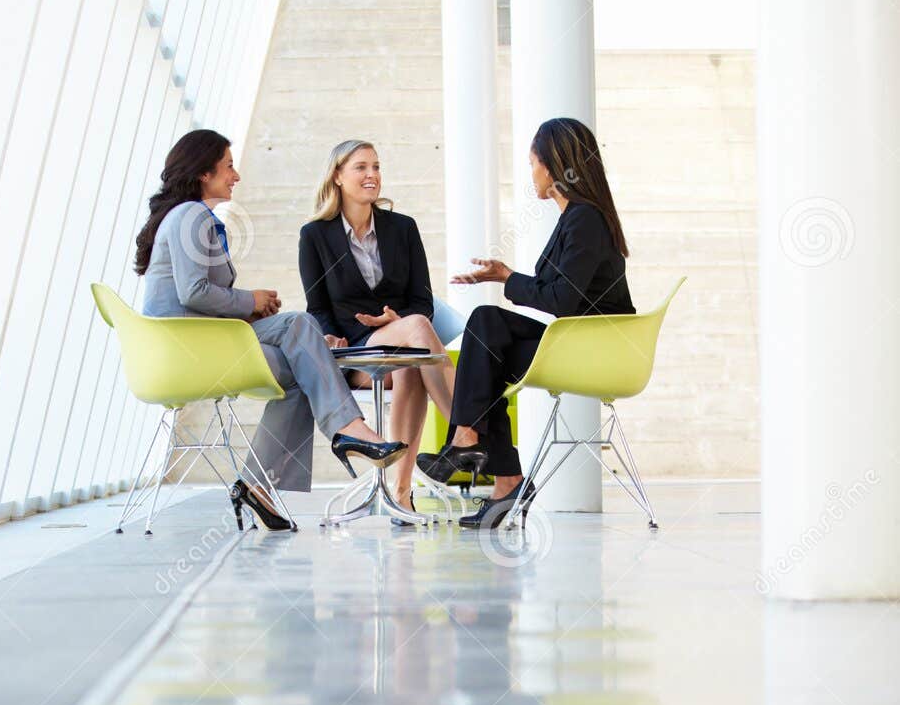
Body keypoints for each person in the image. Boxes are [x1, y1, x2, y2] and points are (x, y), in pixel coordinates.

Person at [136, 129, 406, 531]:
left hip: (198, 341)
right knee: (301, 327)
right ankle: (348, 429)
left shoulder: (186, 217)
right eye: (228, 166)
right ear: (203, 173)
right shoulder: (191, 215)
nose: (236, 175)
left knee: (301, 360)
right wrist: (251, 301)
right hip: (189, 347)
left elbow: (195, 298)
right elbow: (192, 293)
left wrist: (253, 314)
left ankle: (258, 484)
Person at [419, 117, 634, 530]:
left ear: (553, 167)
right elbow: (563, 293)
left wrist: (507, 280)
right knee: (486, 339)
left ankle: (476, 450)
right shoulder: (577, 218)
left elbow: (563, 301)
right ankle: (497, 472)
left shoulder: (584, 219)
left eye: (533, 163)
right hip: (579, 340)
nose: (531, 173)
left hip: (597, 349)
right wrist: (505, 276)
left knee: (486, 338)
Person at [299, 140, 454, 516]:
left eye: (377, 167)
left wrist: (393, 321)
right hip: (354, 353)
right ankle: (465, 432)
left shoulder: (403, 228)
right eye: (361, 168)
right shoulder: (315, 235)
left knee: (410, 364)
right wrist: (329, 335)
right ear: (337, 176)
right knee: (415, 334)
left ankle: (399, 494)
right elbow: (317, 308)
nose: (372, 175)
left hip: (400, 341)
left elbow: (423, 301)